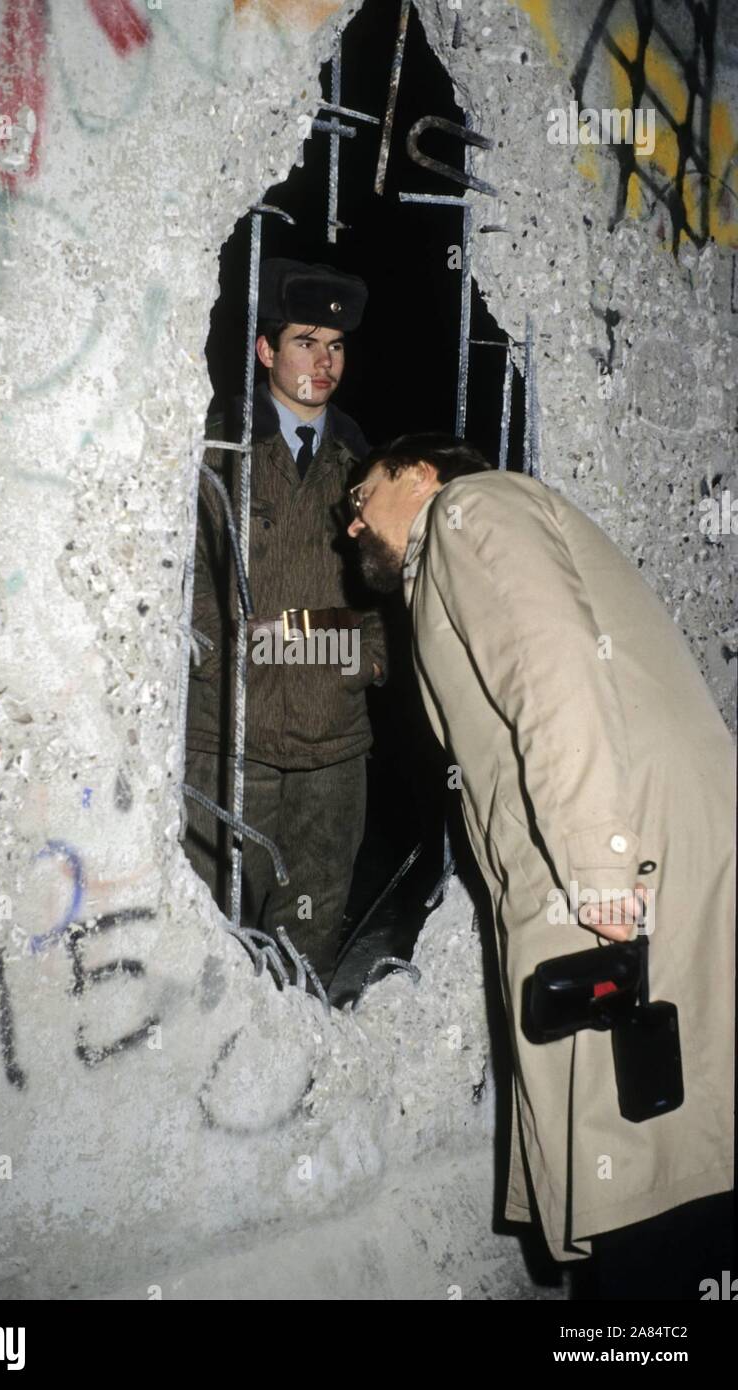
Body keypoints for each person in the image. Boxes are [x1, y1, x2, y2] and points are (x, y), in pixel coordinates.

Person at [346, 432, 735, 1298]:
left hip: (618, 867)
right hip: (642, 851)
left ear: (420, 473)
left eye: (361, 496)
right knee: (675, 1136)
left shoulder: (468, 511)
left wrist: (598, 865)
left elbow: (554, 668)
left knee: (640, 1151)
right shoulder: (487, 529)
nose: (352, 525)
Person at [183, 259, 387, 988]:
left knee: (308, 936)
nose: (323, 361)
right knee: (211, 935)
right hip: (231, 739)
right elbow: (186, 580)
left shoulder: (368, 463)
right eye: (305, 341)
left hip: (332, 747)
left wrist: (367, 659)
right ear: (267, 350)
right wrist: (227, 656)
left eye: (336, 345)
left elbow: (398, 588)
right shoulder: (218, 449)